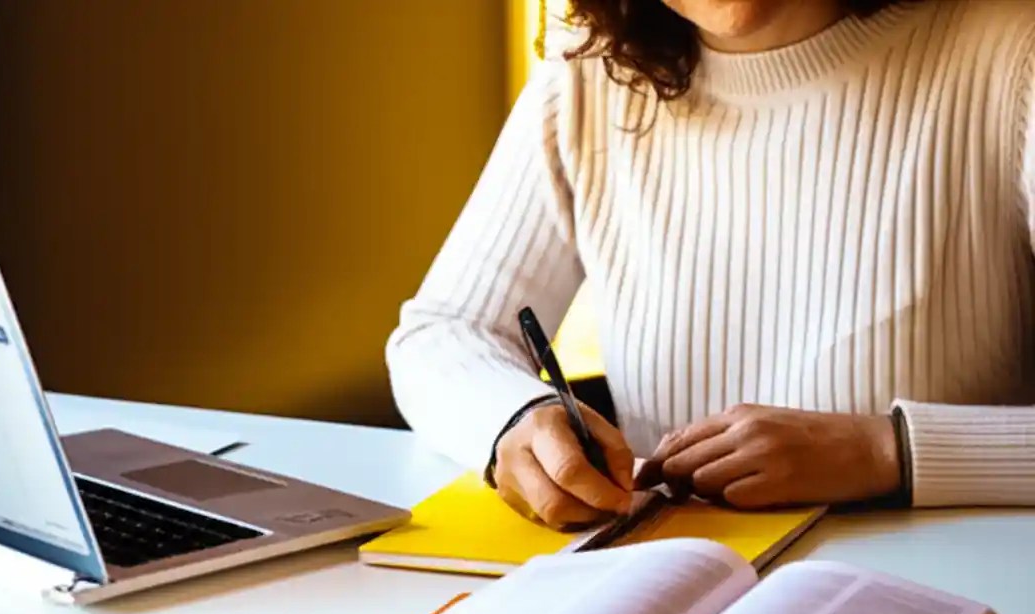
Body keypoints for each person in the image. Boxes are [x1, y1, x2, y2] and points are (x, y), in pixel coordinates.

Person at [386, 0, 1035, 530]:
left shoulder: (1014, 56)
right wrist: (515, 419)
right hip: (673, 605)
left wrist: (885, 451)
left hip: (949, 608)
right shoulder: (589, 77)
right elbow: (443, 331)